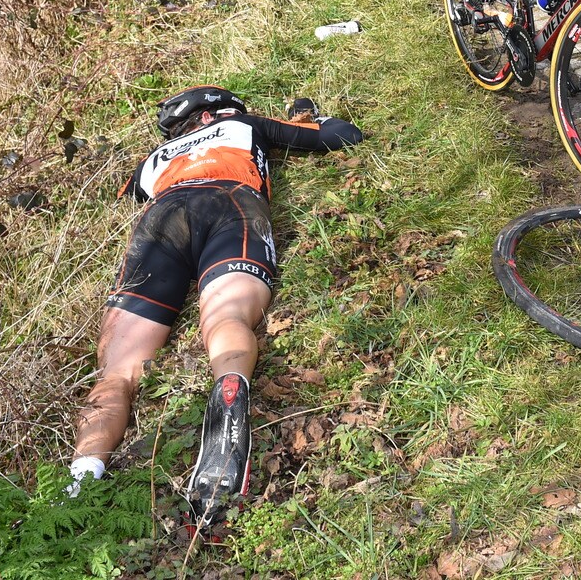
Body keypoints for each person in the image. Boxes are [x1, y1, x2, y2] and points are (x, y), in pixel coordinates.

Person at [68, 88, 363, 523]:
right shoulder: (243, 126)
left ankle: (83, 475)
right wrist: (307, 117)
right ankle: (229, 393)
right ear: (212, 116)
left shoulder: (152, 161)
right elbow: (342, 136)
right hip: (231, 202)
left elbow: (128, 194)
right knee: (226, 316)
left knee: (115, 373)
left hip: (162, 217)